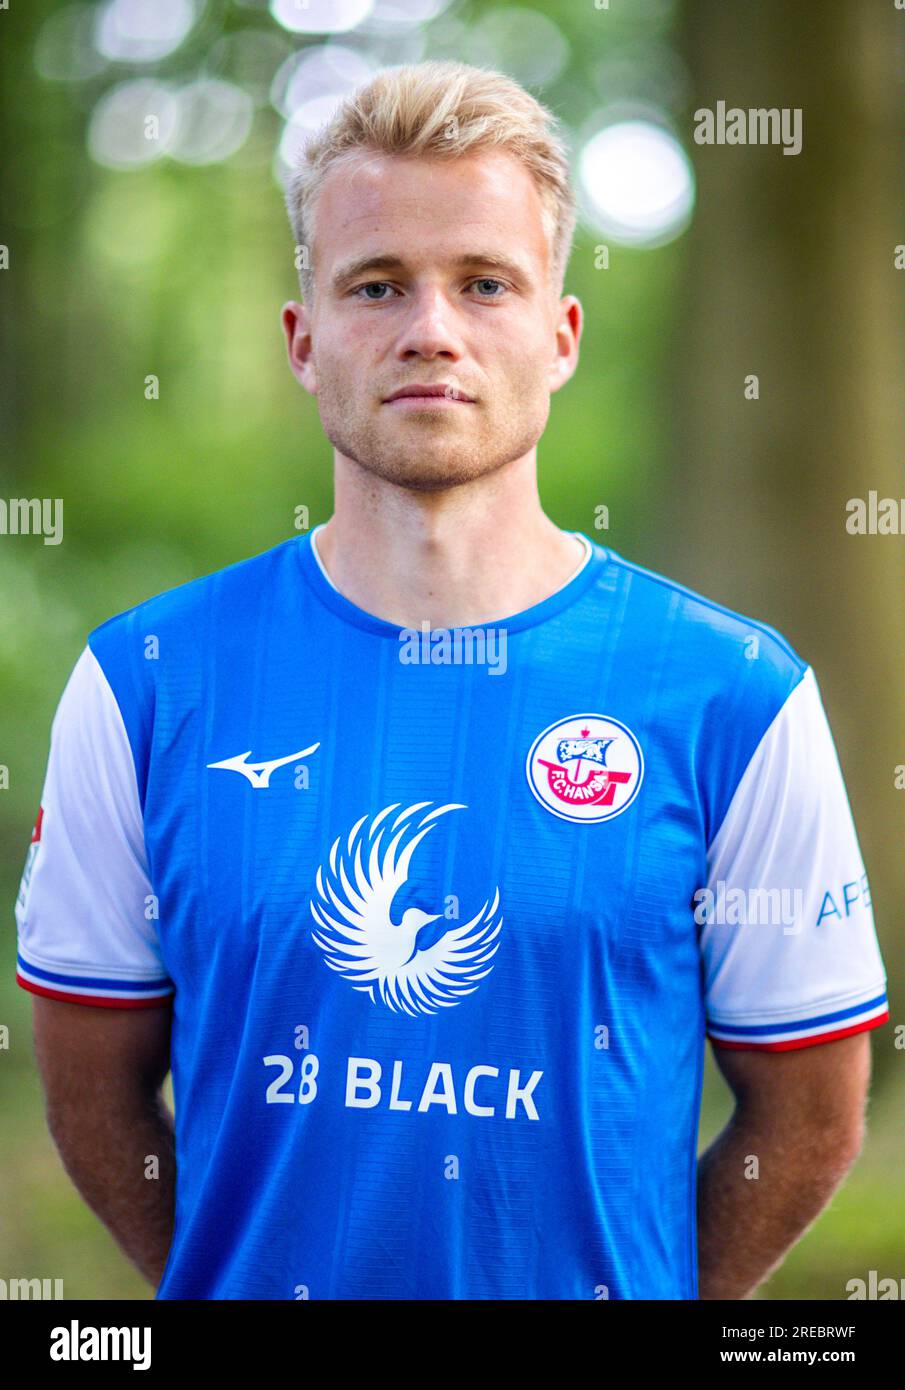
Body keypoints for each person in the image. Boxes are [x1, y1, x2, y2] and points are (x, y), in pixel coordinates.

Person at [15, 60, 888, 1301]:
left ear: (559, 334)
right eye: (377, 286)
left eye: (485, 283)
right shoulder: (145, 681)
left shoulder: (731, 695)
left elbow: (806, 1115)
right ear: (304, 340)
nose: (432, 327)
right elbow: (92, 1088)